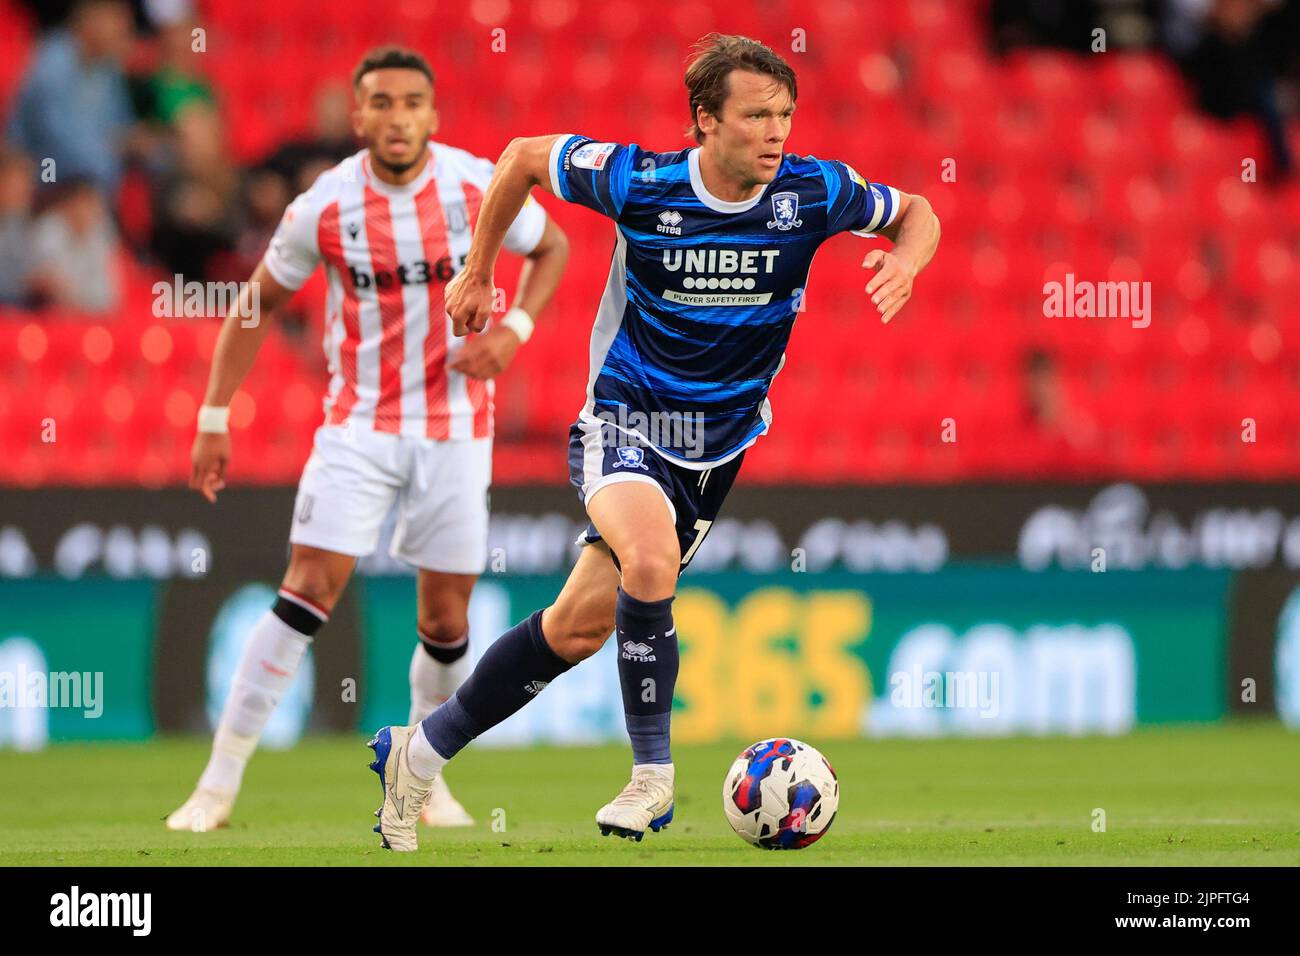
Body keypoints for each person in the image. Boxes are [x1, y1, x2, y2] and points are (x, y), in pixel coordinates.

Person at [364, 33, 940, 852]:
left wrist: (908, 262)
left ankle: (414, 757)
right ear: (705, 120)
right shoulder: (641, 180)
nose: (775, 133)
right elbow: (523, 156)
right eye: (755, 116)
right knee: (650, 561)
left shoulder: (814, 193)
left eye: (784, 115)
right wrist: (480, 269)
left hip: (719, 448)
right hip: (626, 421)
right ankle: (651, 778)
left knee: (575, 630)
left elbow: (919, 210)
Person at [165, 46, 570, 832]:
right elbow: (256, 304)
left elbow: (551, 246)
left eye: (412, 102)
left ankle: (424, 776)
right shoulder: (325, 205)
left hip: (456, 428)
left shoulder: (472, 185)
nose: (397, 117)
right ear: (358, 117)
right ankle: (215, 785)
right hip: (358, 425)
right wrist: (215, 415)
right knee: (308, 585)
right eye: (380, 103)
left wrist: (514, 329)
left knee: (448, 618)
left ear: (433, 114)